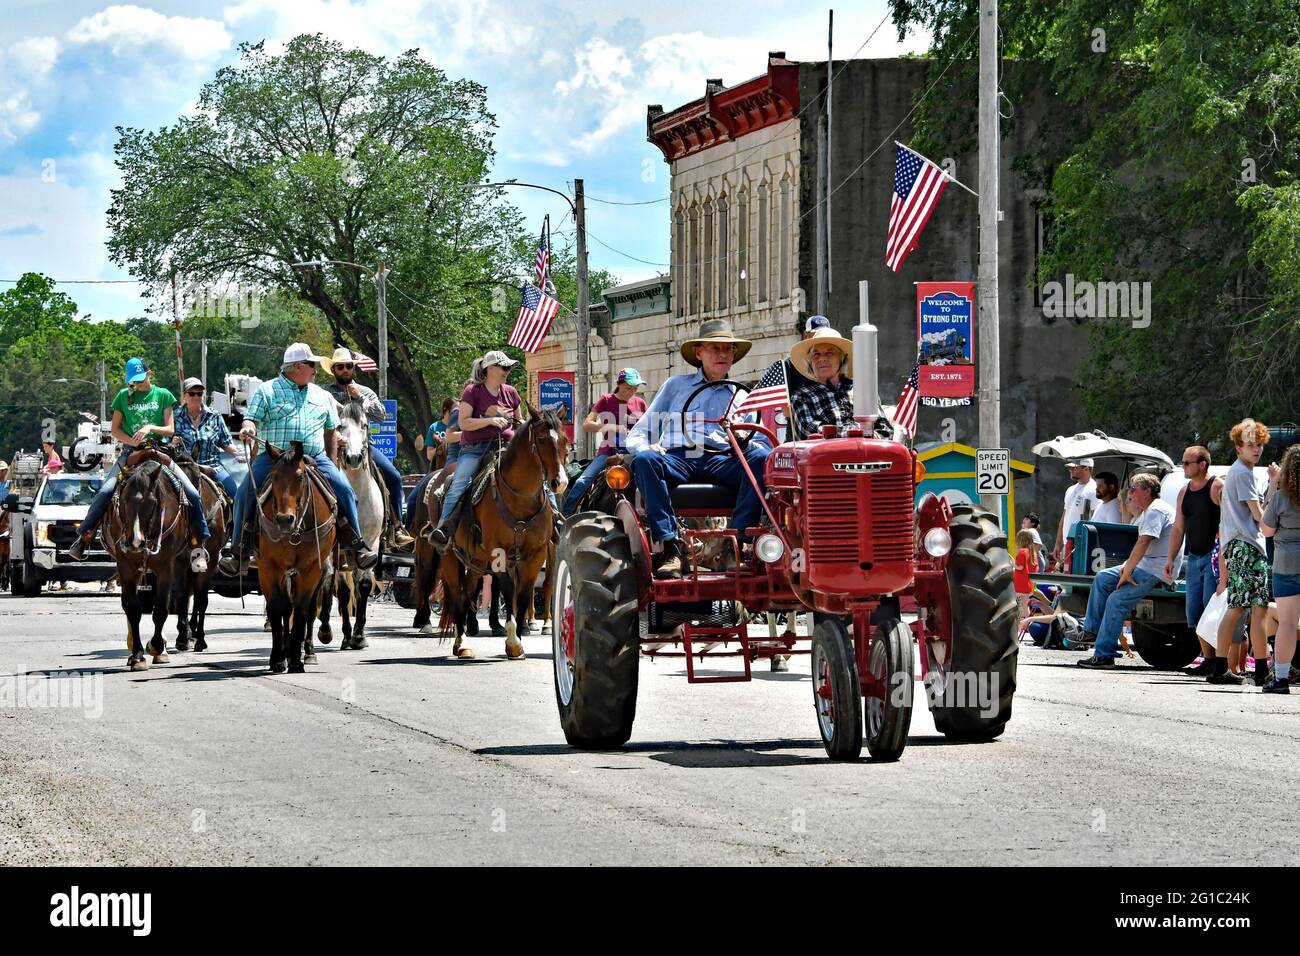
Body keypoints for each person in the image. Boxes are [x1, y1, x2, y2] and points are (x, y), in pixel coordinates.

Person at [627, 318, 774, 578]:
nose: (722, 354)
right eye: (714, 348)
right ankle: (671, 547)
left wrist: (744, 440)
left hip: (723, 460)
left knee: (761, 457)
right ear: (699, 353)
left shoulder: (741, 396)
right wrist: (647, 446)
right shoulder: (676, 386)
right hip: (680, 458)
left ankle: (736, 545)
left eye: (727, 349)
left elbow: (760, 440)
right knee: (645, 460)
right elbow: (640, 431)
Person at [219, 343, 377, 574]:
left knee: (345, 490)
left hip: (313, 457)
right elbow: (251, 419)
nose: (315, 370)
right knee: (245, 492)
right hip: (274, 457)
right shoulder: (267, 390)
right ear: (296, 367)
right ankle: (238, 550)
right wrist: (249, 429)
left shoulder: (321, 395)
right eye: (311, 365)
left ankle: (355, 546)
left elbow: (331, 431)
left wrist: (331, 463)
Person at [68, 358, 211, 572]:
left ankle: (198, 544)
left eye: (141, 378)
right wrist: (132, 440)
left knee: (192, 493)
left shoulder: (163, 395)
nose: (138, 383)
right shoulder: (122, 397)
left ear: (149, 373)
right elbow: (115, 430)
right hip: (131, 453)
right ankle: (84, 536)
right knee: (106, 491)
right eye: (134, 380)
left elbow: (170, 430)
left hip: (159, 452)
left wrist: (150, 427)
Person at [428, 350, 543, 552]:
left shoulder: (511, 392)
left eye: (508, 368)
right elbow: (463, 423)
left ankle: (553, 522)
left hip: (507, 448)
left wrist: (528, 428)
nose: (507, 371)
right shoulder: (472, 392)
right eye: (503, 367)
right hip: (474, 450)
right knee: (460, 481)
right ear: (490, 368)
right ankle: (444, 528)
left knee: (538, 478)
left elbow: (519, 423)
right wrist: (489, 420)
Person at [1076, 473, 1176, 668]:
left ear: (1147, 491)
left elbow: (1144, 541)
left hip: (1156, 570)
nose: (1130, 493)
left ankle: (1104, 655)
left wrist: (1128, 570)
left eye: (1134, 489)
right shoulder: (1149, 511)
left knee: (1116, 600)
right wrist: (1126, 567)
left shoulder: (1156, 510)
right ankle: (1092, 630)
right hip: (1146, 564)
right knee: (1103, 577)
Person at [320, 347, 415, 551]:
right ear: (333, 370)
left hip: (364, 448)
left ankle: (397, 528)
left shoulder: (365, 391)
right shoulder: (324, 393)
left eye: (348, 366)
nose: (344, 370)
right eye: (340, 367)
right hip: (332, 448)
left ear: (354, 368)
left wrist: (360, 398)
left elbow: (381, 415)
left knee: (394, 476)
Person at [1207, 419, 1279, 686]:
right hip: (1248, 546)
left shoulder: (1240, 471)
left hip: (1238, 545)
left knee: (1240, 608)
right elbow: (1261, 517)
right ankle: (1259, 669)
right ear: (1239, 447)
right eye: (1251, 445)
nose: (1256, 450)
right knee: (1252, 609)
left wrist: (1271, 485)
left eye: (1259, 444)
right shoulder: (1244, 473)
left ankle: (1221, 666)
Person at [1165, 445, 1224, 676]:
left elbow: (1228, 523)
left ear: (1203, 465)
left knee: (1212, 610)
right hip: (1194, 557)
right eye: (1182, 462)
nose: (1183, 466)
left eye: (1187, 462)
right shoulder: (1183, 491)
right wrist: (1171, 558)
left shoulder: (1217, 487)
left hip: (1214, 557)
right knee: (1194, 612)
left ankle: (1219, 660)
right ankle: (1208, 658)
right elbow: (1179, 528)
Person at [563, 368, 648, 516]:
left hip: (634, 452)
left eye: (635, 388)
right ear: (619, 384)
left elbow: (650, 426)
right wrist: (610, 427)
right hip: (608, 452)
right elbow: (587, 424)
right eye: (629, 388)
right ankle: (564, 518)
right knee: (583, 481)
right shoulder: (606, 400)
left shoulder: (640, 403)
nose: (632, 392)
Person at [1260, 444, 1300, 692]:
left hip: (1286, 563)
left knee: (1287, 623)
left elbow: (1266, 530)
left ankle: (1281, 679)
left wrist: (1273, 484)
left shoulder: (1282, 498)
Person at [171, 377, 243, 499]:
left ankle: (238, 518)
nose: (196, 397)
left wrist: (238, 454)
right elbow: (166, 443)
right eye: (192, 393)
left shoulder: (214, 415)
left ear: (204, 396)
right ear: (184, 396)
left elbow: (225, 442)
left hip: (212, 467)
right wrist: (172, 444)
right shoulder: (174, 416)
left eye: (199, 393)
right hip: (184, 469)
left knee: (235, 494)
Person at [788, 326, 857, 439]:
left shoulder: (862, 389)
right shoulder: (802, 396)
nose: (822, 359)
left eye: (829, 352)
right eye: (816, 354)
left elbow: (885, 430)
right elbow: (812, 435)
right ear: (810, 362)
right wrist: (861, 434)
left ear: (842, 359)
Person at [1053, 458, 1097, 570]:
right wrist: (1058, 544)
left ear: (1086, 468)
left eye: (1074, 468)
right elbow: (1064, 517)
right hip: (1067, 544)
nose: (1070, 470)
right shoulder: (1070, 489)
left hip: (1081, 545)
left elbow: (1094, 519)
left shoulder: (1094, 489)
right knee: (1065, 578)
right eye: (1070, 468)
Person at [1014, 528, 1039, 621]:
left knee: (1020, 606)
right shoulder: (1033, 553)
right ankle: (1027, 623)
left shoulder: (1022, 551)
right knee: (1025, 606)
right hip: (1028, 584)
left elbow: (1020, 567)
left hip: (1020, 584)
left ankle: (1025, 623)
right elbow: (1035, 568)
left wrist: (1012, 562)